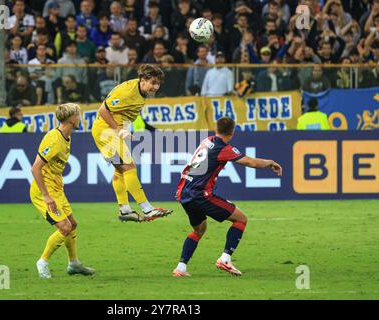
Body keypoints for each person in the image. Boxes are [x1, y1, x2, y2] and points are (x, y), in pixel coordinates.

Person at [173, 117, 282, 277]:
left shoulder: (207, 140)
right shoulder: (224, 148)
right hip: (200, 194)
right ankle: (225, 259)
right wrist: (270, 162)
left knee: (199, 229)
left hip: (184, 192)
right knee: (241, 219)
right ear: (232, 132)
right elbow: (251, 162)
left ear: (216, 129)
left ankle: (180, 268)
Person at [91, 64, 172, 222]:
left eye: (158, 84)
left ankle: (125, 209)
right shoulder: (128, 91)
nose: (156, 87)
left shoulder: (139, 90)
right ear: (143, 79)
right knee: (129, 167)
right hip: (106, 131)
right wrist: (118, 129)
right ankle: (147, 209)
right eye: (153, 83)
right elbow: (103, 110)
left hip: (113, 131)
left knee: (120, 170)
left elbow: (122, 112)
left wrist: (123, 128)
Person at [31, 103, 95, 279]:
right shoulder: (54, 139)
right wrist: (46, 195)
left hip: (56, 188)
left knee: (72, 225)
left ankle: (73, 263)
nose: (79, 118)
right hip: (44, 191)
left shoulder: (66, 136)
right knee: (65, 227)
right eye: (78, 115)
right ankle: (42, 262)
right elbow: (35, 168)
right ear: (72, 118)